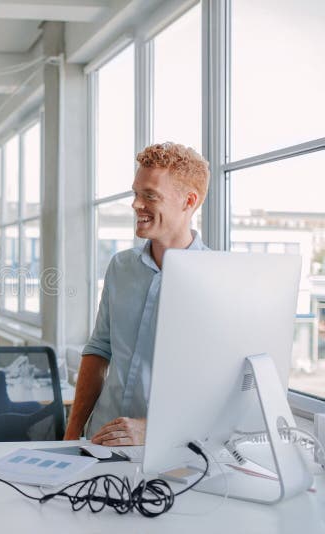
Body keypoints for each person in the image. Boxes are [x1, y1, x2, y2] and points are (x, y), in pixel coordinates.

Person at [63, 142, 210, 446]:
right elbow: (99, 349)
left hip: (168, 448)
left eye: (150, 196)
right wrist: (72, 431)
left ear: (188, 201)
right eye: (136, 193)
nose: (135, 205)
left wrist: (153, 429)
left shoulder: (215, 279)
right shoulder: (121, 266)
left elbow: (222, 387)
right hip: (101, 439)